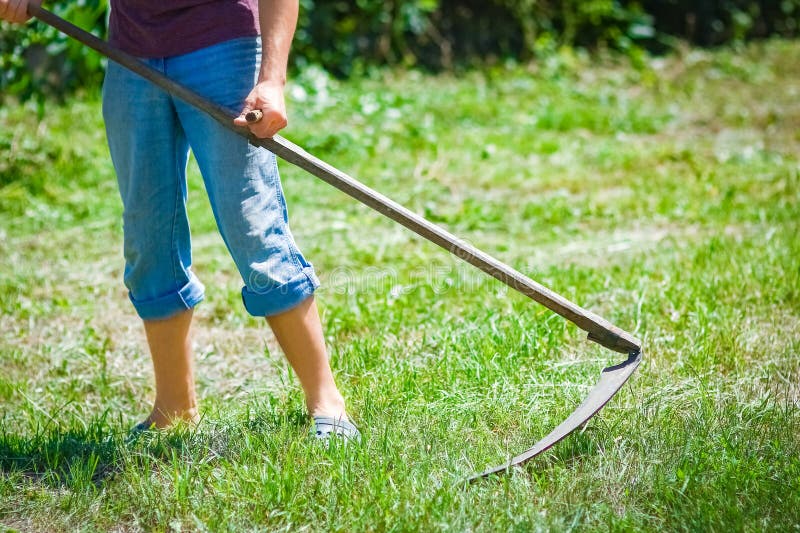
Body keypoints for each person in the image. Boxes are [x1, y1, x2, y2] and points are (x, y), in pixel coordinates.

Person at [1, 0, 359, 441]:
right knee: (147, 236)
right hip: (131, 53)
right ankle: (174, 407)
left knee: (253, 225)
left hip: (222, 48)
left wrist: (271, 80)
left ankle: (326, 400)